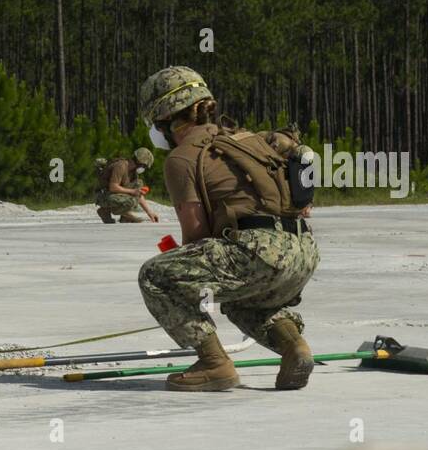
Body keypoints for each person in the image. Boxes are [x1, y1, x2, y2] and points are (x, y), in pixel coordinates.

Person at [135, 66, 319, 391]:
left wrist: (186, 281)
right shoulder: (247, 139)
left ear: (164, 118)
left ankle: (213, 364)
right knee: (246, 297)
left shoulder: (181, 158)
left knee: (155, 276)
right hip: (303, 251)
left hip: (257, 250)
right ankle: (294, 347)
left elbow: (196, 235)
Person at [95, 148, 159, 224]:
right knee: (131, 201)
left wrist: (149, 212)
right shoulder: (121, 166)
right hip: (103, 196)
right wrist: (133, 191)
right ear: (140, 162)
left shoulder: (133, 172)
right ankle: (105, 210)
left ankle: (124, 217)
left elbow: (138, 194)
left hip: (112, 195)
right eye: (144, 166)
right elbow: (113, 187)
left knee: (138, 184)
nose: (144, 169)